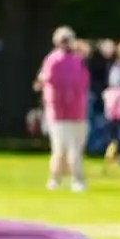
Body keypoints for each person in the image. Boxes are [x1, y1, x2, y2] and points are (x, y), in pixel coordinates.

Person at [36, 26, 90, 191]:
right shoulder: (76, 60)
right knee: (72, 147)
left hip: (60, 111)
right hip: (72, 110)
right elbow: (83, 83)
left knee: (60, 147)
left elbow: (45, 81)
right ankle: (74, 179)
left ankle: (57, 179)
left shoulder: (53, 60)